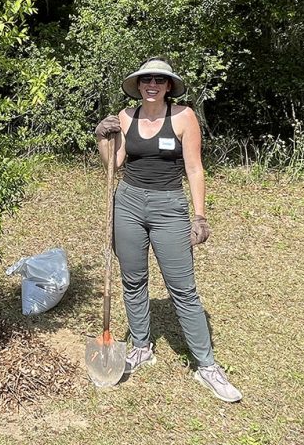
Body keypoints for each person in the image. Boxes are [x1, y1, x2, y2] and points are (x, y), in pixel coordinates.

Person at [95, 57, 242, 403]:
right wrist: (103, 138)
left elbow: (194, 168)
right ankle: (142, 346)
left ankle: (207, 365)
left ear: (169, 86)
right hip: (127, 203)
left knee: (183, 288)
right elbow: (112, 166)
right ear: (139, 84)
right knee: (133, 280)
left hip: (169, 207)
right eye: (147, 79)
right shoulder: (125, 117)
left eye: (159, 80)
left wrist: (200, 217)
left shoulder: (183, 117)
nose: (152, 85)